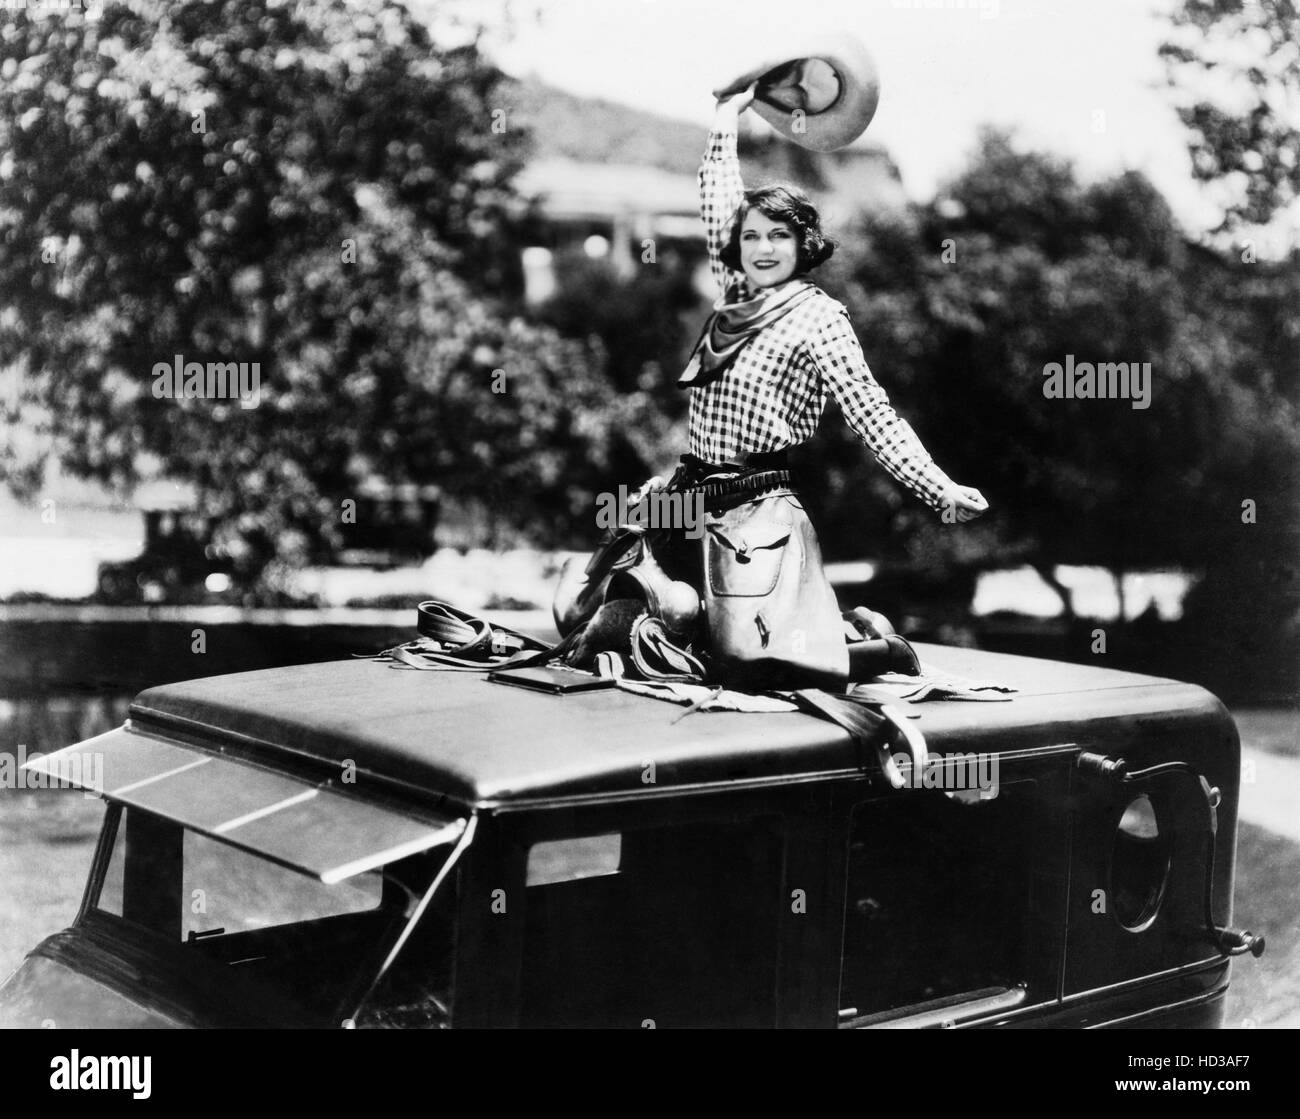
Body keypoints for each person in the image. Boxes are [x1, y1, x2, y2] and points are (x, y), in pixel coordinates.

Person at [641, 83, 988, 687]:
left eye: (779, 235)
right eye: (751, 236)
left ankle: (877, 647)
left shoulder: (820, 318)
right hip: (688, 494)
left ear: (804, 245)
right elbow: (718, 196)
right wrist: (727, 118)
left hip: (757, 511)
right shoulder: (736, 295)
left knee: (750, 659)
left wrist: (941, 488)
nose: (762, 247)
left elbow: (872, 416)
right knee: (617, 611)